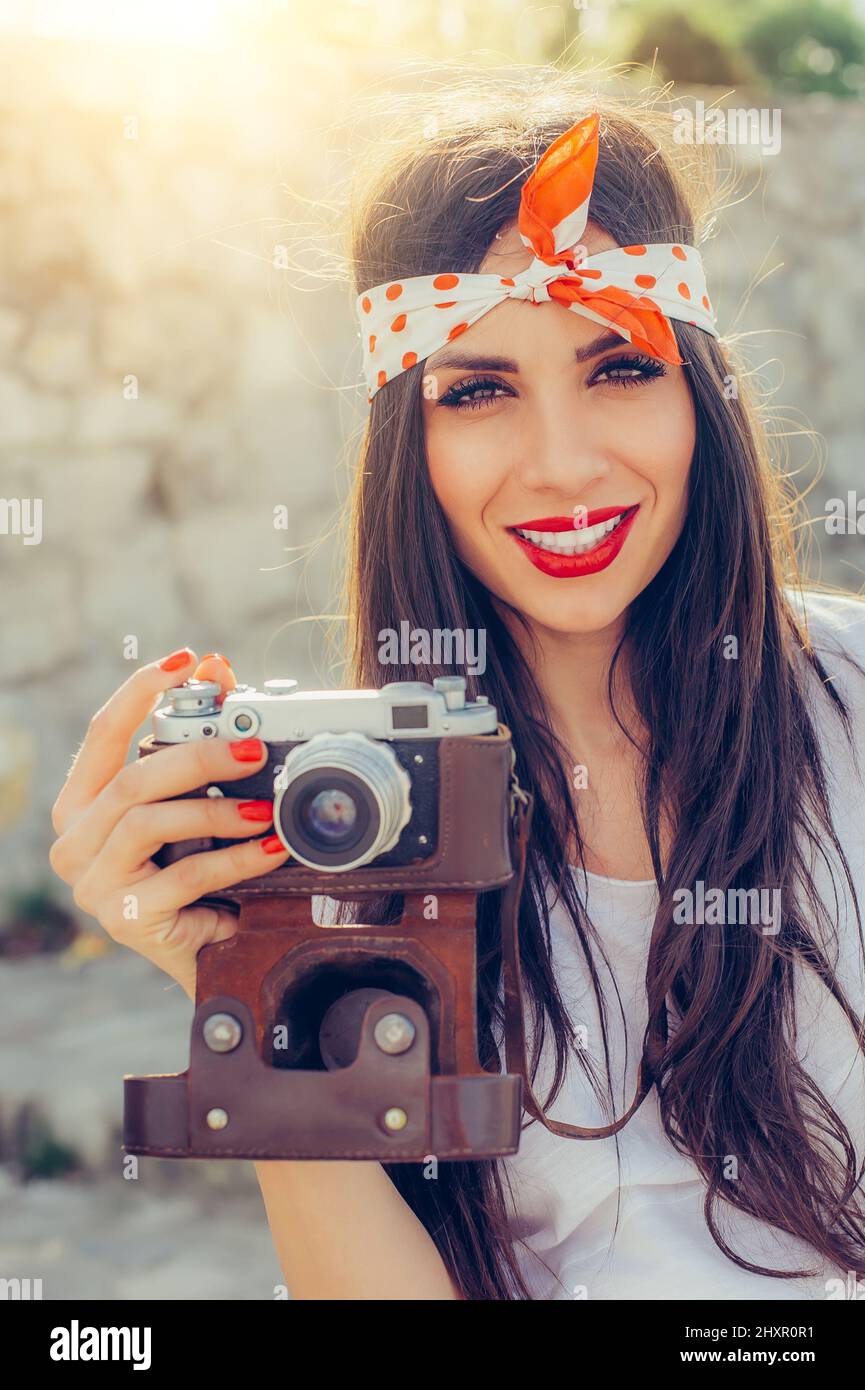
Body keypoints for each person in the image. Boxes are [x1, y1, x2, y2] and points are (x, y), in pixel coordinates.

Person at [49, 74, 865, 1300]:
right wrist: (238, 975)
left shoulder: (846, 703)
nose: (563, 464)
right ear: (406, 444)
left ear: (699, 391)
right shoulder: (349, 815)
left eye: (621, 370)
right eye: (478, 390)